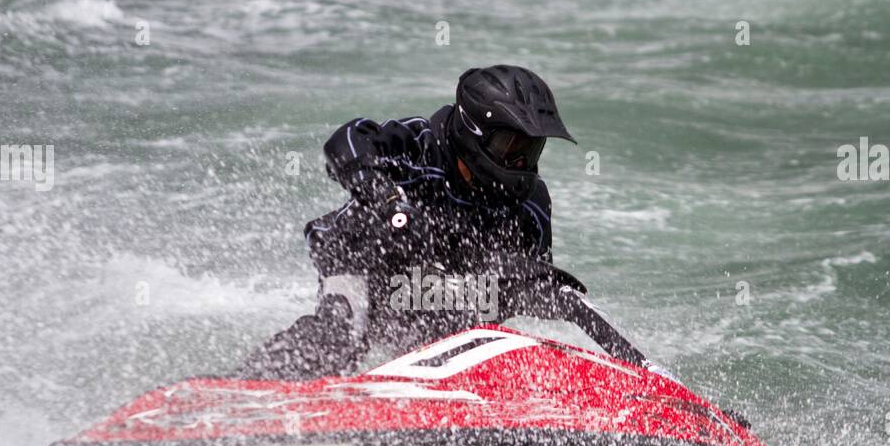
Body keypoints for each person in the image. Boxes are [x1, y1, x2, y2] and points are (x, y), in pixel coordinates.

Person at [237, 64, 659, 379]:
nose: (521, 163)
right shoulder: (420, 145)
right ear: (475, 135)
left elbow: (517, 288)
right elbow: (345, 143)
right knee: (340, 336)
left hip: (435, 295)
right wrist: (390, 203)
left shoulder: (531, 206)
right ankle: (242, 393)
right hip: (361, 266)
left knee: (470, 356)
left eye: (531, 150)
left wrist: (534, 289)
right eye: (511, 146)